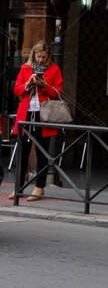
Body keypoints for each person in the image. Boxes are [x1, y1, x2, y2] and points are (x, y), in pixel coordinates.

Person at [8, 42, 63, 202]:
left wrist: (44, 85)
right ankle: (18, 187)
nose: (40, 60)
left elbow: (58, 93)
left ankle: (39, 187)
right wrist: (28, 84)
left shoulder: (54, 69)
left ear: (48, 57)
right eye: (38, 57)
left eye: (44, 58)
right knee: (22, 152)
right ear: (33, 55)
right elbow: (17, 89)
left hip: (43, 114)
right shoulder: (26, 68)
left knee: (42, 152)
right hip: (26, 113)